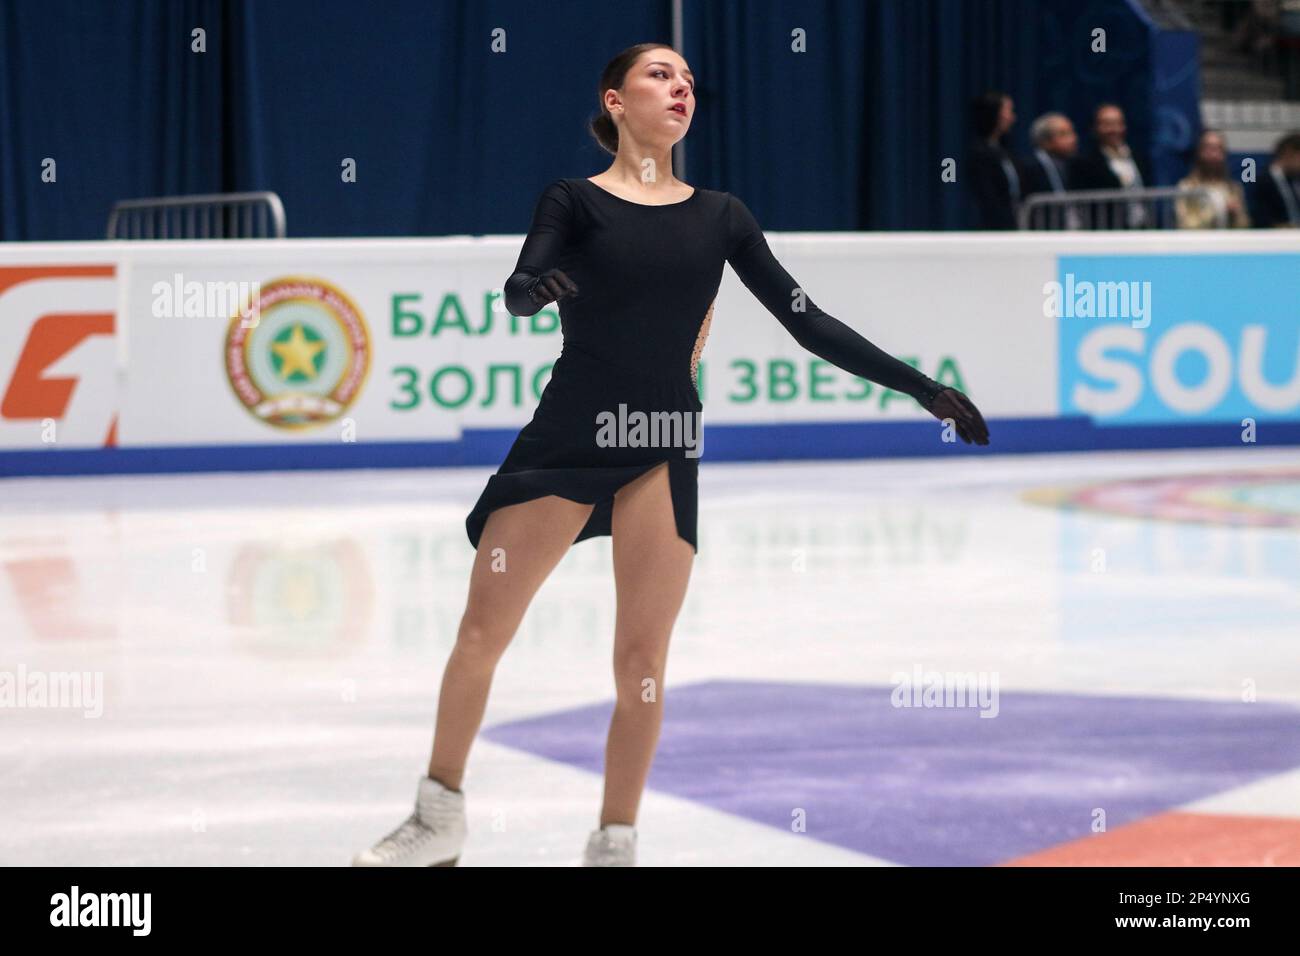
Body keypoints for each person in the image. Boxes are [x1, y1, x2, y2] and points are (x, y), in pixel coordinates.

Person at [351, 42, 990, 868]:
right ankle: (438, 816)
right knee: (482, 632)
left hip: (661, 443)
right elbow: (520, 286)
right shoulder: (574, 201)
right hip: (570, 434)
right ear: (614, 102)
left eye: (688, 80)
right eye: (660, 75)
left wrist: (918, 387)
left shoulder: (721, 215)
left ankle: (614, 841)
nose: (680, 88)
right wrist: (528, 291)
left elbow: (808, 319)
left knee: (642, 661)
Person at [1071, 104, 1152, 228]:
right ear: (1095, 128)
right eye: (1107, 124)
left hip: (1141, 228)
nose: (1114, 129)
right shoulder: (1086, 161)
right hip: (1107, 231)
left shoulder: (1138, 156)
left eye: (1118, 123)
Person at [966, 90, 1021, 229]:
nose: (1012, 118)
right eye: (1008, 111)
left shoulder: (1005, 151)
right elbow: (987, 198)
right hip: (992, 228)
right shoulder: (979, 153)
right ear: (994, 113)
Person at [1175, 129, 1251, 229]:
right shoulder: (1186, 187)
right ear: (1199, 152)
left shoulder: (1233, 188)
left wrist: (1236, 215)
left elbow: (1245, 226)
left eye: (1218, 149)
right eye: (1209, 148)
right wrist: (1218, 212)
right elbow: (1184, 224)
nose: (1213, 154)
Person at [1021, 112, 1081, 228]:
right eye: (1064, 134)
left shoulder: (1074, 165)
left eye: (1072, 132)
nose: (1073, 139)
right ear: (1045, 141)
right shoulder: (1030, 167)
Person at [1253, 131, 1300, 227]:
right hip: (1275, 237)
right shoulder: (1264, 181)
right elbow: (1259, 217)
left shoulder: (1295, 181)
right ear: (1289, 154)